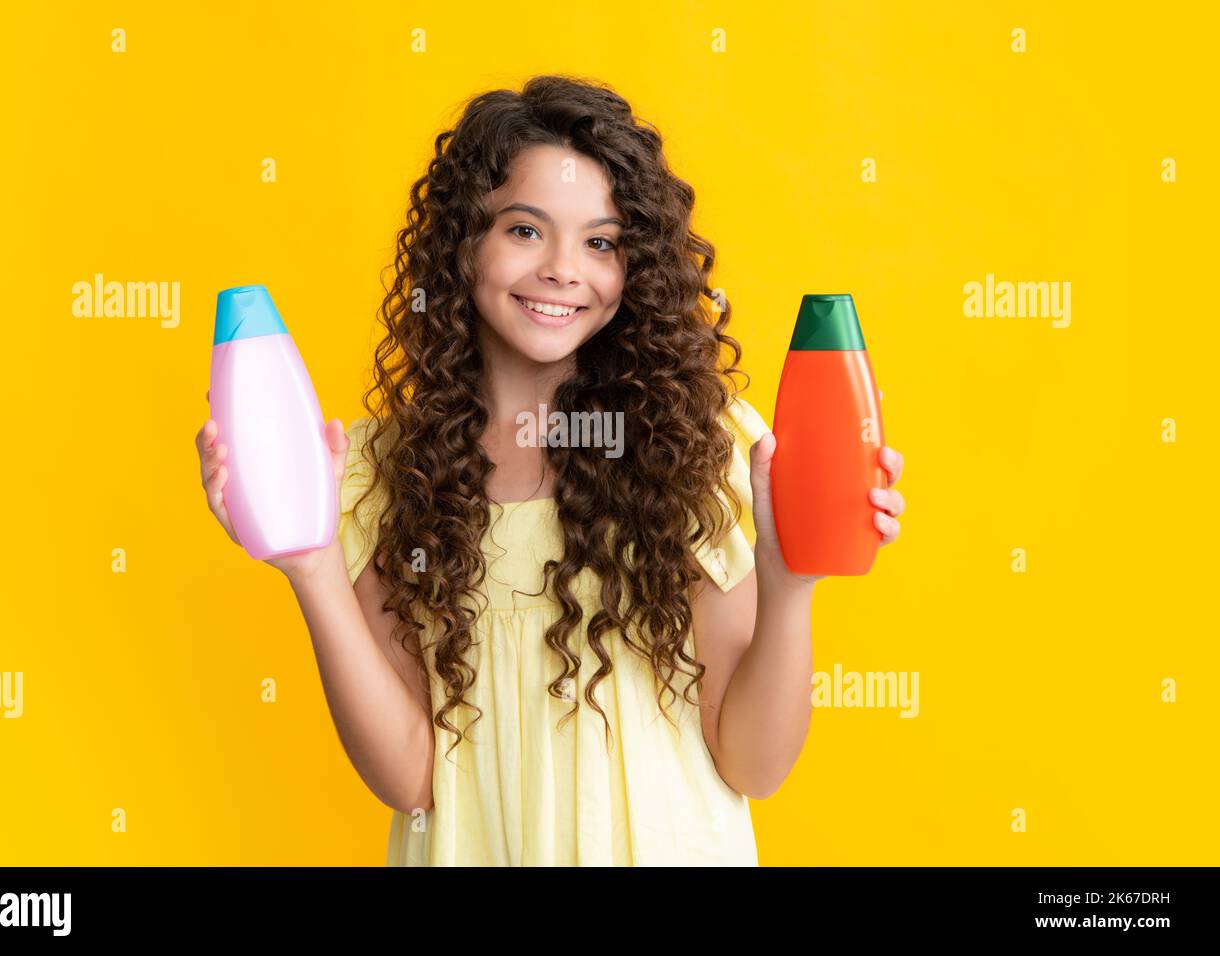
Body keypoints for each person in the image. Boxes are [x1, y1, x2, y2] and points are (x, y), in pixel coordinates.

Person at [194, 75, 907, 865]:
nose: (566, 269)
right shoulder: (380, 475)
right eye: (526, 231)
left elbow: (754, 765)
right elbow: (409, 780)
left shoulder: (695, 451)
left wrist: (789, 581)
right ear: (463, 243)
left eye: (601, 242)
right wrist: (314, 569)